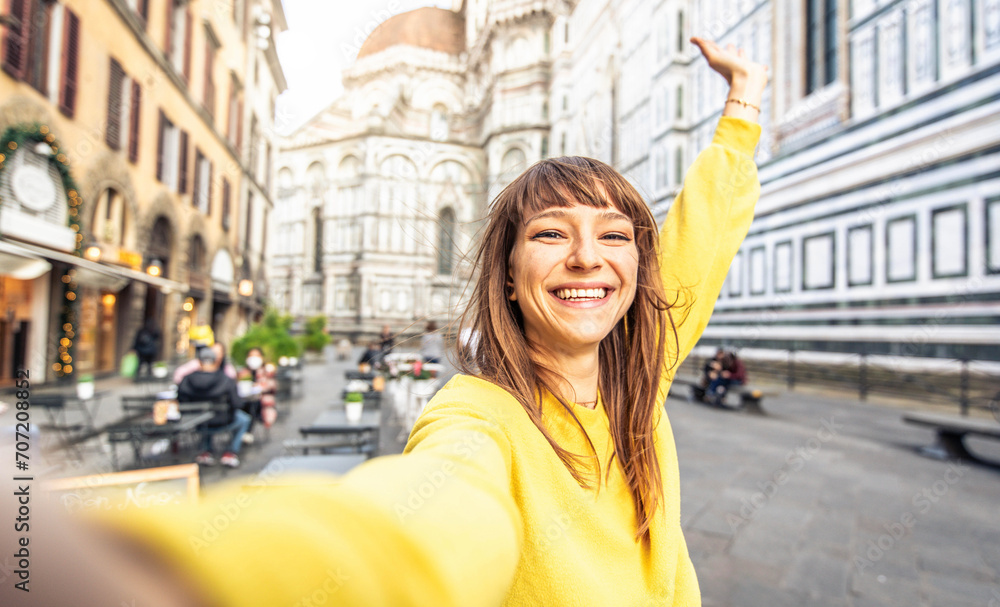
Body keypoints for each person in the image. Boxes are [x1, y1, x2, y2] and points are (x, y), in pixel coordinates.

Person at [29, 37, 765, 606]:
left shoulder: (642, 364)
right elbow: (429, 515)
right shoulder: (481, 418)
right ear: (505, 275)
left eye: (614, 236)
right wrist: (165, 578)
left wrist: (742, 109)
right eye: (549, 234)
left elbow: (699, 245)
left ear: (638, 268)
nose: (587, 258)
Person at [177, 345, 250, 468]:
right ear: (216, 361)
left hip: (197, 423)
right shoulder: (226, 380)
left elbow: (180, 401)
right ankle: (230, 452)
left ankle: (205, 451)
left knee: (205, 416)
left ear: (199, 362)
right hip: (223, 422)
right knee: (245, 419)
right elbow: (237, 403)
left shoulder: (186, 380)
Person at [243, 346, 277, 430]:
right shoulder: (243, 372)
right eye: (251, 356)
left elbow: (272, 386)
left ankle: (248, 431)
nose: (254, 358)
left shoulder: (267, 371)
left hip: (260, 404)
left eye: (256, 356)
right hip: (244, 402)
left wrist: (259, 386)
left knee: (253, 404)